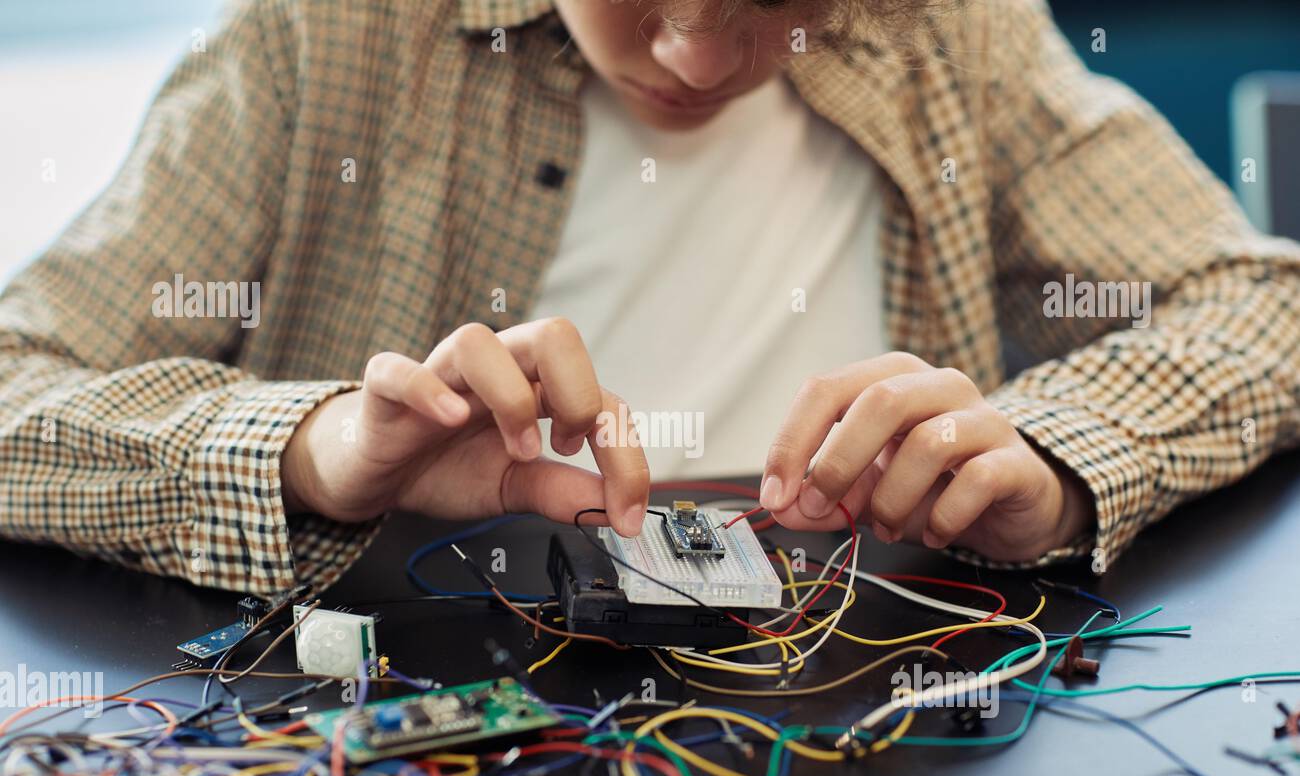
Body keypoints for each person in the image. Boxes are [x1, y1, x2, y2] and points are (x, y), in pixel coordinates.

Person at [1, 0, 1296, 597]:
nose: (693, 51)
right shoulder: (312, 38)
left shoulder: (951, 29)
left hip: (885, 733)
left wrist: (1054, 454)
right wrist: (315, 446)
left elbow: (1263, 300)